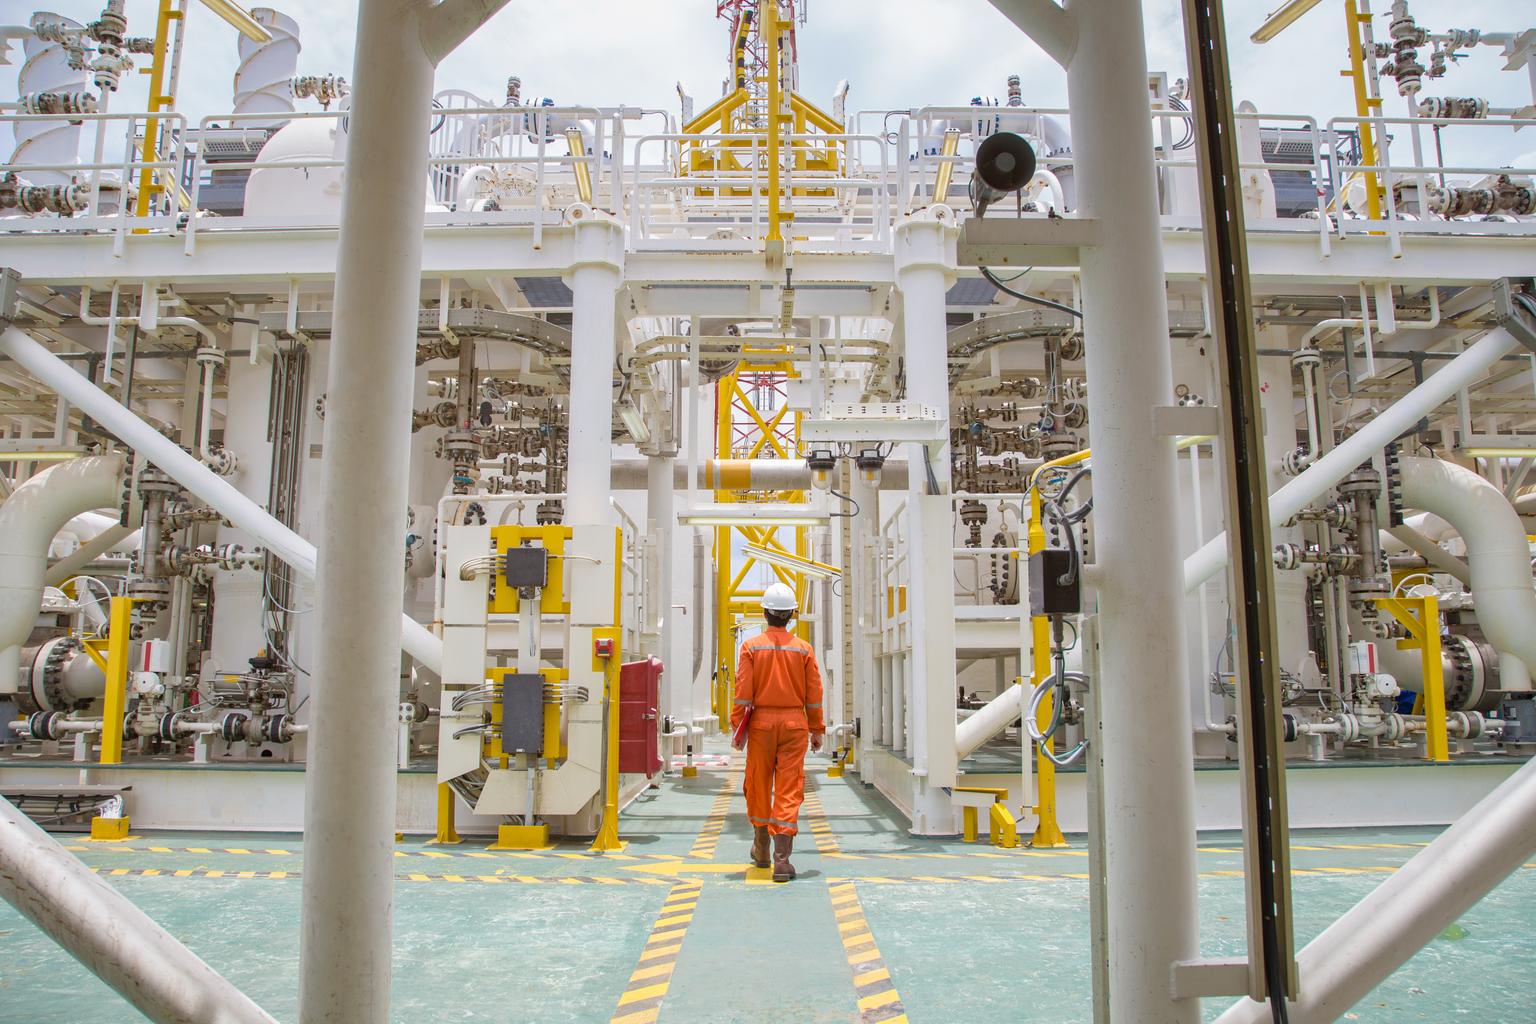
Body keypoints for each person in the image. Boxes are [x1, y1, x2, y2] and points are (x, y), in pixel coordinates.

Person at [730, 582, 825, 882]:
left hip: (761, 725)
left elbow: (743, 693)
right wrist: (816, 729)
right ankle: (782, 861)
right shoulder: (804, 650)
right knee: (788, 788)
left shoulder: (751, 647)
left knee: (758, 784)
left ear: (765, 612)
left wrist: (737, 727)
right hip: (795, 725)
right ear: (792, 614)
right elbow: (814, 694)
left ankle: (760, 849)